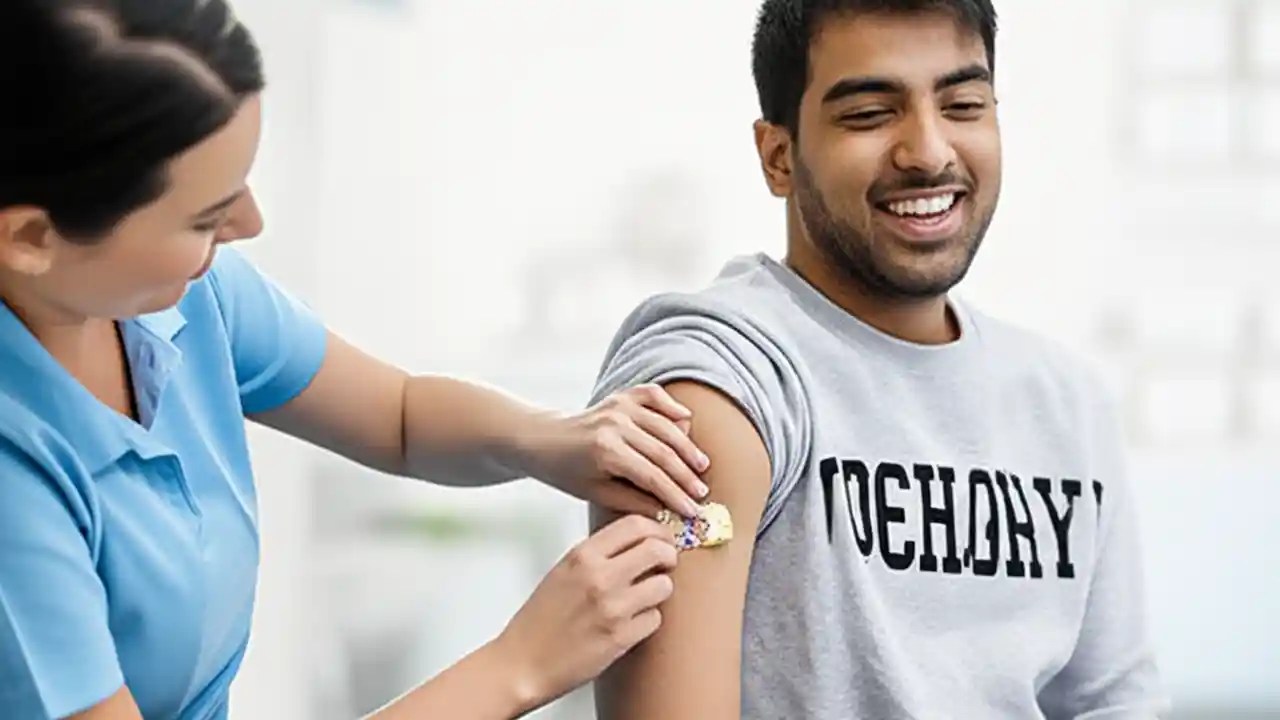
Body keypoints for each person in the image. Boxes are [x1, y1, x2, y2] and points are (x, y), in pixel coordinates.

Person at [0, 2, 713, 719]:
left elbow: (398, 415)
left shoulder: (180, 296)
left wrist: (548, 438)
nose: (251, 224)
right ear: (30, 238)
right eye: (206, 217)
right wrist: (520, 666)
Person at [589, 1, 1170, 718]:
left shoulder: (1066, 403)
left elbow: (1115, 700)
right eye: (869, 115)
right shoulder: (718, 385)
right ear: (778, 156)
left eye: (963, 105)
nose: (928, 152)